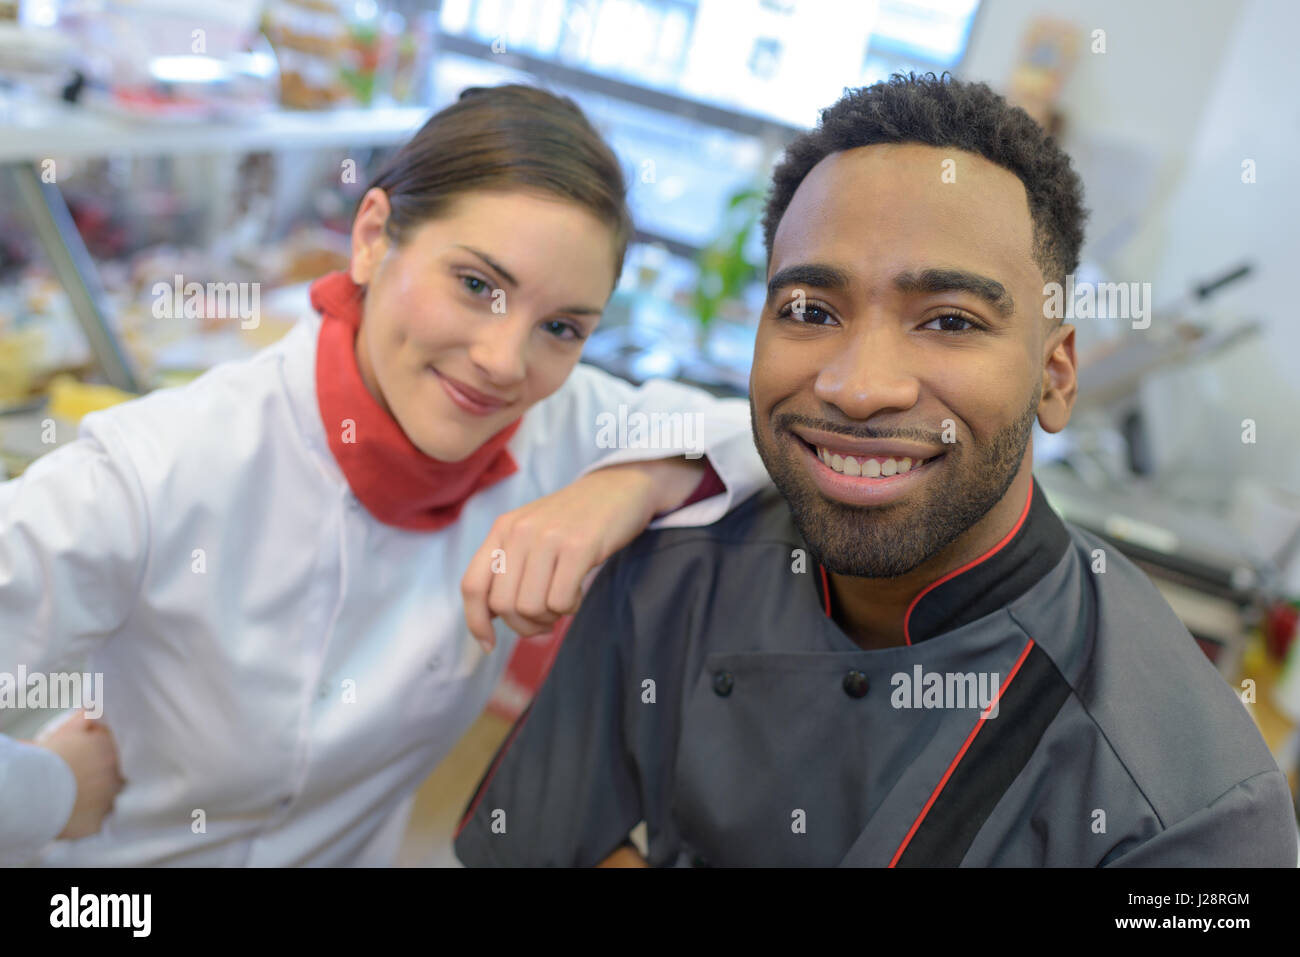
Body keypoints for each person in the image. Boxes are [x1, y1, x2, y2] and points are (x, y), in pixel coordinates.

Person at [453, 73, 1300, 867]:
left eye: (950, 321)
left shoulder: (1197, 804)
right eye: (811, 310)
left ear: (1056, 373)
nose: (859, 388)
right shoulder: (672, 572)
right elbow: (536, 845)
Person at [0, 84, 768, 866]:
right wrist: (47, 793)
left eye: (560, 327)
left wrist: (628, 483)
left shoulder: (555, 419)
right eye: (476, 285)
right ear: (371, 237)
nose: (505, 362)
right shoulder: (156, 468)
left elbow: (765, 435)